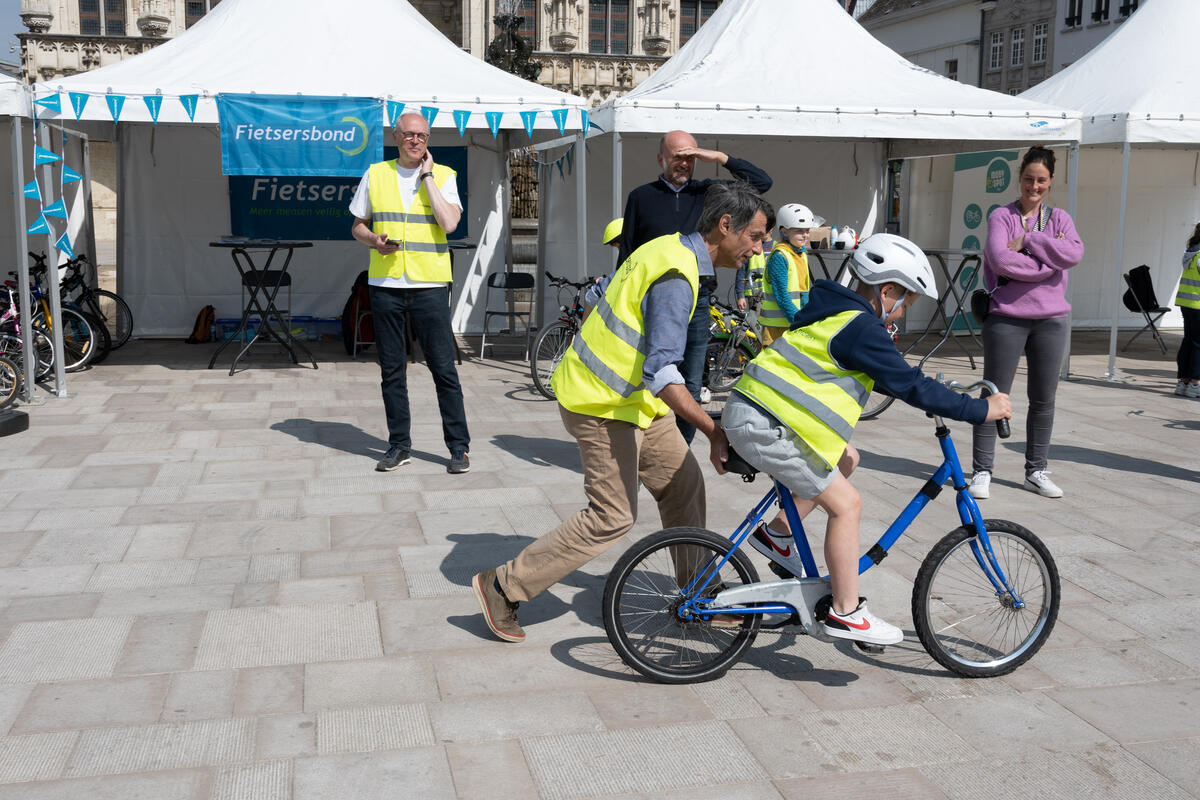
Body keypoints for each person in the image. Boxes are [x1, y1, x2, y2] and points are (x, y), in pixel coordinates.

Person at [472, 183, 774, 643]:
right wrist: (714, 430)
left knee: (683, 485)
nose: (760, 247)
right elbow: (663, 371)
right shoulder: (676, 276)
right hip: (601, 403)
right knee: (612, 516)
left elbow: (603, 298)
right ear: (725, 226)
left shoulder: (667, 247)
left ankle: (700, 593)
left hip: (634, 403)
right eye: (755, 236)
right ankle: (503, 585)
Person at [722, 233, 1013, 645]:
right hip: (766, 425)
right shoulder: (861, 327)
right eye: (904, 304)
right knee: (848, 505)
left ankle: (778, 534)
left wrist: (932, 389)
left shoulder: (837, 312)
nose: (899, 315)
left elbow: (894, 378)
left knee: (847, 458)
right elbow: (911, 384)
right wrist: (981, 410)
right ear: (887, 289)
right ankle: (846, 611)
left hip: (760, 415)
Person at [618, 130, 773, 443]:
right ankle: (642, 440)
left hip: (698, 296)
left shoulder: (707, 193)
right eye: (677, 156)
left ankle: (680, 448)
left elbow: (760, 184)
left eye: (689, 157)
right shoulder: (641, 197)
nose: (684, 163)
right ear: (661, 159)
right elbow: (628, 251)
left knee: (689, 379)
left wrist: (714, 156)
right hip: (651, 297)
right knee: (649, 373)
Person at [349, 112, 471, 475]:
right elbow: (357, 225)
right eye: (408, 135)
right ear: (396, 136)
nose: (414, 141)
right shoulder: (376, 173)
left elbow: (449, 223)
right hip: (386, 284)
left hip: (429, 285)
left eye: (421, 135)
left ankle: (459, 447)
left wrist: (428, 177)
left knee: (443, 369)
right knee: (391, 371)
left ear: (428, 139)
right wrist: (373, 240)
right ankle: (399, 445)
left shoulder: (444, 175)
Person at [968, 146, 1084, 501]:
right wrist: (1049, 259)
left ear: (1050, 183)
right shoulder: (1001, 217)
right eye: (1029, 179)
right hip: (1006, 317)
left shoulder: (1060, 218)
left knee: (1043, 399)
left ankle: (1036, 470)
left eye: (1042, 181)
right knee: (994, 394)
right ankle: (982, 470)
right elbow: (1001, 260)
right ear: (1020, 178)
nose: (1034, 186)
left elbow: (1075, 254)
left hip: (1052, 320)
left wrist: (1031, 240)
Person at [756, 203, 818, 345]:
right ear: (784, 232)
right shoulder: (780, 256)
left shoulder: (801, 253)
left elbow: (803, 292)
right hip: (776, 328)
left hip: (792, 323)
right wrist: (799, 321)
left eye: (807, 231)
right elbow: (782, 296)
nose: (805, 235)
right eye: (799, 231)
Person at [1174, 223, 1200, 399]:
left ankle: (1183, 382)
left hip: (1186, 303)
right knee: (1198, 344)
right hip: (1198, 305)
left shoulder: (1191, 252)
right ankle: (1195, 384)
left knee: (1189, 341)